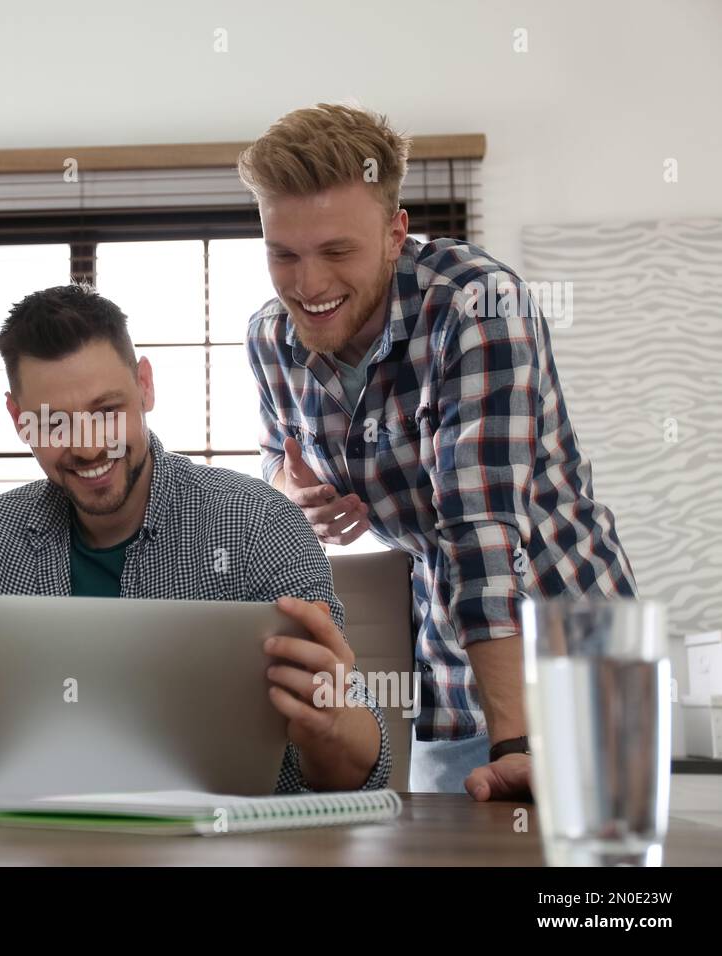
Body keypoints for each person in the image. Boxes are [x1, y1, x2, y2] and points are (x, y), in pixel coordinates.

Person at [238, 103, 636, 799]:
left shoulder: (478, 305)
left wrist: (514, 741)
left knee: (589, 881)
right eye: (284, 254)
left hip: (575, 640)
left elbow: (477, 530)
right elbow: (276, 449)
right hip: (450, 657)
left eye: (337, 252)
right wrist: (288, 489)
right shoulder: (272, 337)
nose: (308, 285)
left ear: (396, 235)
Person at [0, 284, 391, 793]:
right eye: (54, 423)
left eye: (106, 410)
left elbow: (356, 761)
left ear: (144, 386)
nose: (87, 447)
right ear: (20, 421)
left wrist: (331, 724)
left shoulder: (261, 523)